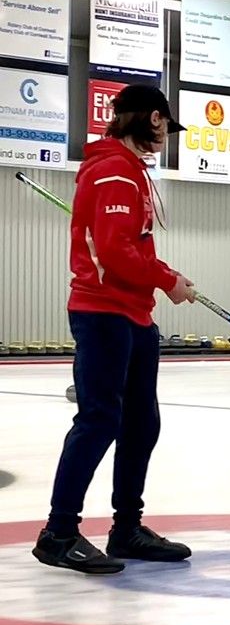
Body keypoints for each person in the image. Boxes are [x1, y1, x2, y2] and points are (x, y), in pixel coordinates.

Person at [32, 84, 197, 574]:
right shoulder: (112, 172)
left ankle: (127, 528)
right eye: (167, 124)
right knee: (100, 419)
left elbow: (133, 248)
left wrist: (164, 276)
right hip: (103, 313)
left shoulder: (129, 172)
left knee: (141, 422)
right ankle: (58, 533)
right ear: (151, 119)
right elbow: (114, 252)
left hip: (134, 314)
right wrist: (168, 280)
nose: (168, 134)